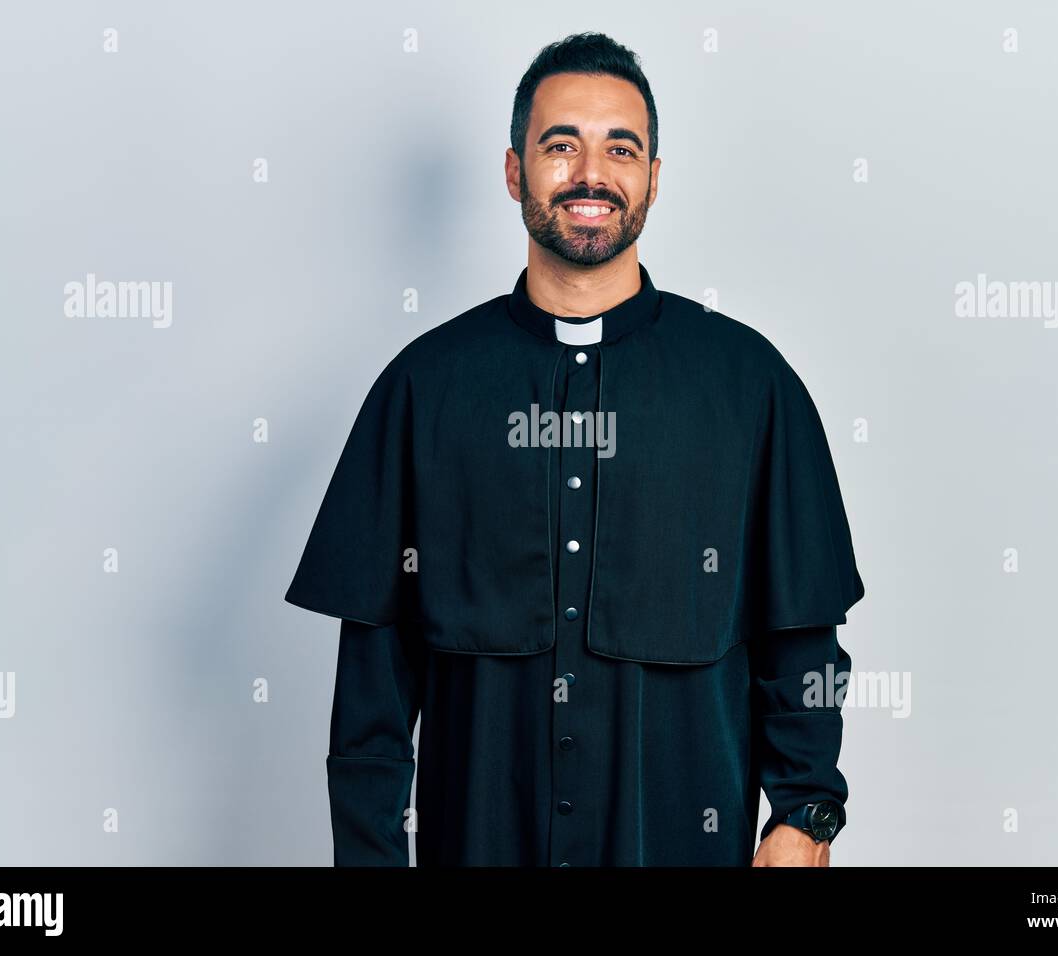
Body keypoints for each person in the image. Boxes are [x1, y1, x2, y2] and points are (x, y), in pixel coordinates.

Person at [285, 31, 865, 867]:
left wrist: (805, 815)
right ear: (516, 170)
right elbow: (373, 688)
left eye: (619, 148)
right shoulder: (425, 390)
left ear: (653, 180)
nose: (590, 173)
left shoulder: (750, 388)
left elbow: (803, 637)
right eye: (561, 145)